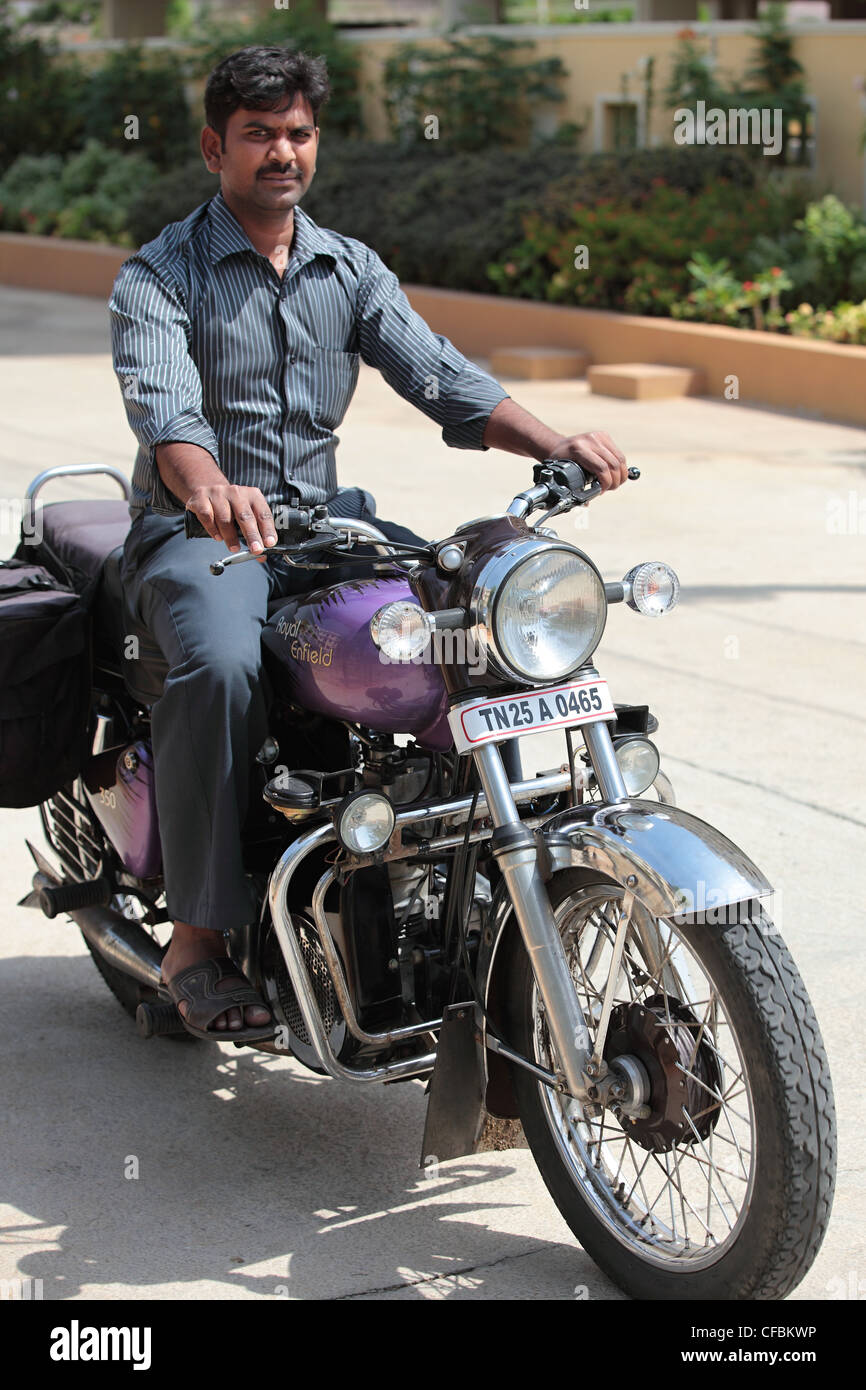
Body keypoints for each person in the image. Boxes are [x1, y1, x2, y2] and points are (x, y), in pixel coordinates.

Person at [109, 45, 629, 1042]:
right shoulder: (159, 275)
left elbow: (442, 379)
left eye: (297, 132)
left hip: (326, 526)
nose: (281, 152)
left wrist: (555, 439)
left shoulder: (347, 269)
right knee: (218, 665)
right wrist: (207, 482)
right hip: (199, 534)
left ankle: (466, 859)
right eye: (258, 134)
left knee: (475, 624)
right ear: (215, 146)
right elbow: (165, 407)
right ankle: (196, 936)